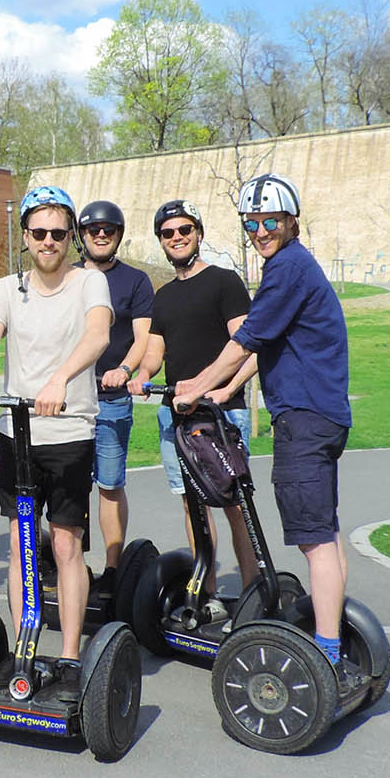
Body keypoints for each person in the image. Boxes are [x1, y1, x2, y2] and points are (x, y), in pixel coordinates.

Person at [173, 173, 364, 694]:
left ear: (291, 221)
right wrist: (219, 390)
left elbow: (245, 340)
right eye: (251, 223)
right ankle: (334, 635)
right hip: (321, 415)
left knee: (314, 541)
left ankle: (325, 655)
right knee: (325, 534)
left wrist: (195, 385)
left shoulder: (287, 269)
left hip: (303, 418)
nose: (260, 230)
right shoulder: (294, 267)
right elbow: (263, 350)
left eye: (269, 221)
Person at [0, 186, 111, 693]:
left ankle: (68, 657)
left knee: (67, 546)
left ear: (71, 237)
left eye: (58, 233)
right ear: (25, 236)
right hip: (17, 433)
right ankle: (25, 644)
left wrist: (59, 380)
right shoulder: (7, 288)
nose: (49, 241)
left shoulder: (89, 283)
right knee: (20, 545)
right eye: (39, 233)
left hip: (69, 431)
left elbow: (98, 336)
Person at [130, 198, 260, 591]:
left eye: (185, 230)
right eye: (168, 233)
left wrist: (225, 391)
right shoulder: (164, 296)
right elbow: (154, 351)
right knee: (193, 505)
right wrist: (142, 375)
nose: (177, 238)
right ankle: (209, 592)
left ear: (198, 234)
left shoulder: (224, 281)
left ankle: (256, 596)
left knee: (236, 506)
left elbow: (250, 345)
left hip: (222, 415)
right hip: (177, 416)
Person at [74, 200, 152, 593]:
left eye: (109, 229)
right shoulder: (67, 277)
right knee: (69, 485)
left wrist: (124, 369)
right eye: (93, 229)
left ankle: (113, 569)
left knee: (108, 484)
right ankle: (71, 567)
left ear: (118, 234)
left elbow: (142, 339)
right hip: (69, 399)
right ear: (81, 235)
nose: (101, 234)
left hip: (111, 398)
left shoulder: (135, 281)